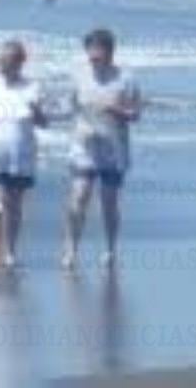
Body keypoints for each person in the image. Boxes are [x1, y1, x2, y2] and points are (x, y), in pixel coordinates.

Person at [62, 28, 142, 270]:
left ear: (110, 52)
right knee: (78, 197)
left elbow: (136, 113)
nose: (94, 56)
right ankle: (71, 249)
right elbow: (70, 106)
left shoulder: (126, 79)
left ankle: (110, 249)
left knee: (108, 201)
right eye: (90, 51)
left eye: (99, 51)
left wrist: (118, 111)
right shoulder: (78, 76)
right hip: (84, 147)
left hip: (113, 149)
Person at [0, 41, 47, 268]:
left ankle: (11, 250)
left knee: (15, 202)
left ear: (20, 62)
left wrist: (36, 112)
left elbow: (43, 123)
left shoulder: (32, 87)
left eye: (7, 60)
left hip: (20, 153)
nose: (1, 65)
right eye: (0, 60)